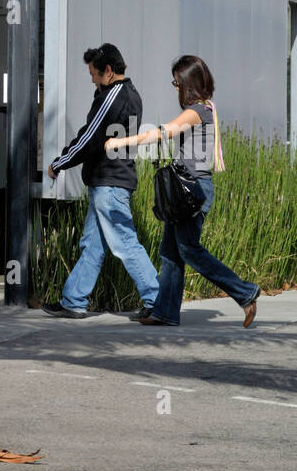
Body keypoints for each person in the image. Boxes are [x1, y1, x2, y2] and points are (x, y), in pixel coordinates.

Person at [105, 55, 259, 327]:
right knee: (170, 252)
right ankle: (165, 313)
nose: (175, 88)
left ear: (188, 83)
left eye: (177, 83)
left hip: (193, 191)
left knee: (188, 249)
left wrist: (122, 142)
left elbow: (164, 132)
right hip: (184, 190)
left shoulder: (198, 111)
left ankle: (245, 292)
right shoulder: (204, 109)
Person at [42, 44, 159, 318]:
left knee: (125, 242)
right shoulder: (128, 94)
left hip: (110, 183)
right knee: (92, 245)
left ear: (108, 71)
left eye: (94, 74)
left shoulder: (114, 96)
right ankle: (73, 300)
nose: (92, 79)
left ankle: (158, 299)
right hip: (109, 182)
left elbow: (89, 137)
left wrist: (58, 163)